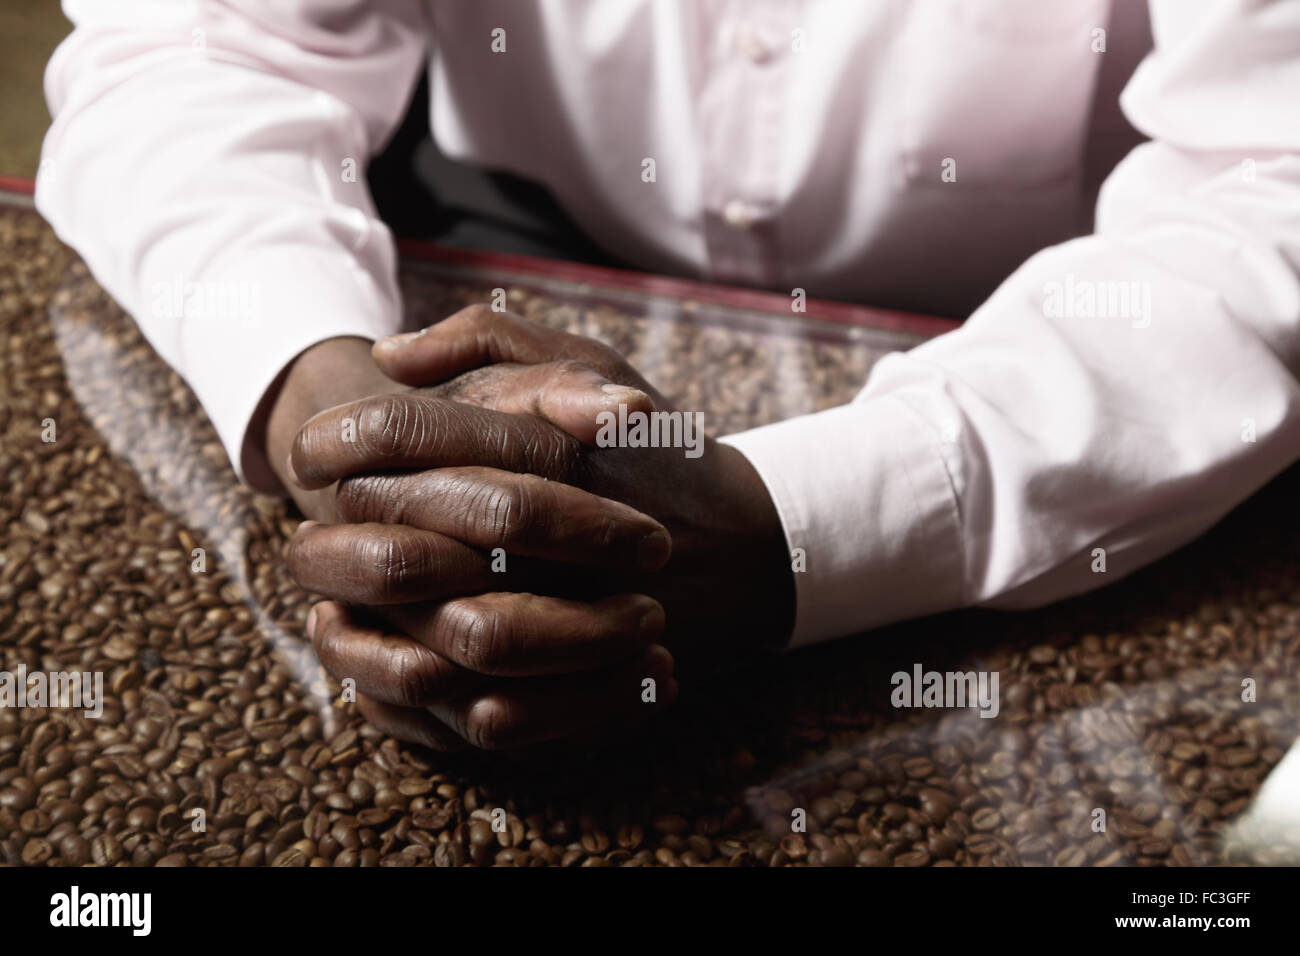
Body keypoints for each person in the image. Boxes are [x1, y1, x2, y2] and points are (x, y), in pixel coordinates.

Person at [35, 1, 1300, 750]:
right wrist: (329, 394)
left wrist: (800, 524)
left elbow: (1273, 174)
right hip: (483, 254)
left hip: (1071, 318)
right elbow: (201, 42)